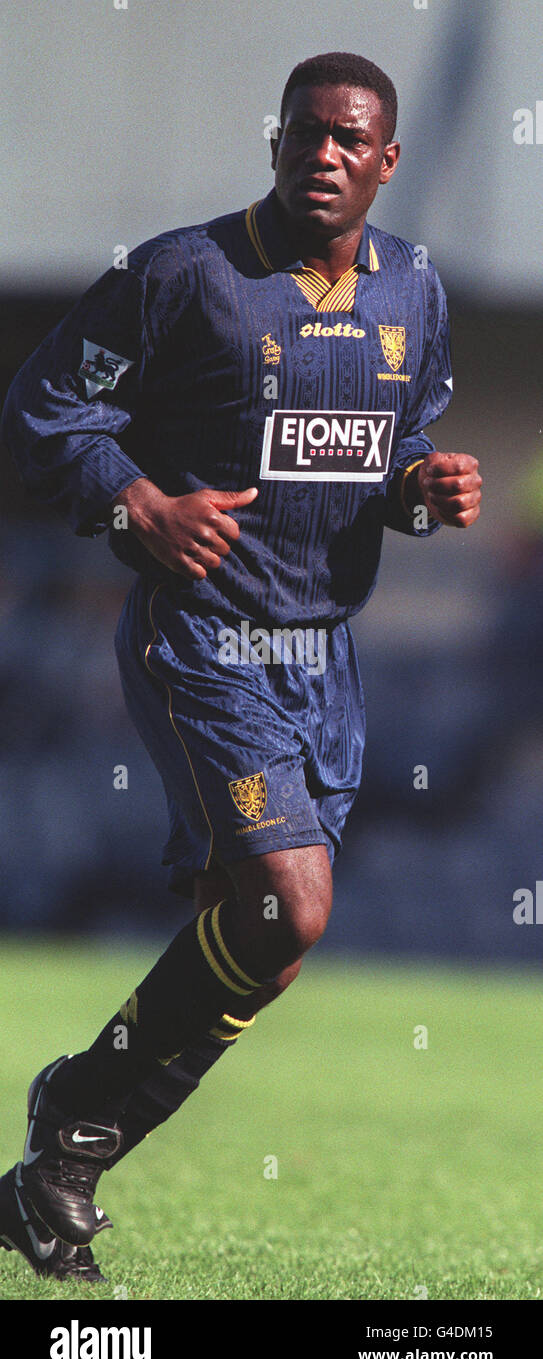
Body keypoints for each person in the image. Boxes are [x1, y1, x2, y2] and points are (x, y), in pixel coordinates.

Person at [0, 51, 481, 1283]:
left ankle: (61, 1166)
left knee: (270, 939)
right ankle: (76, 1115)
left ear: (387, 160)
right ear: (276, 143)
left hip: (327, 658)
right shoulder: (183, 275)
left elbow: (394, 448)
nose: (325, 154)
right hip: (204, 636)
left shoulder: (414, 287)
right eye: (306, 132)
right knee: (292, 904)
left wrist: (422, 490)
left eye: (350, 139)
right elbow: (47, 408)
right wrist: (139, 506)